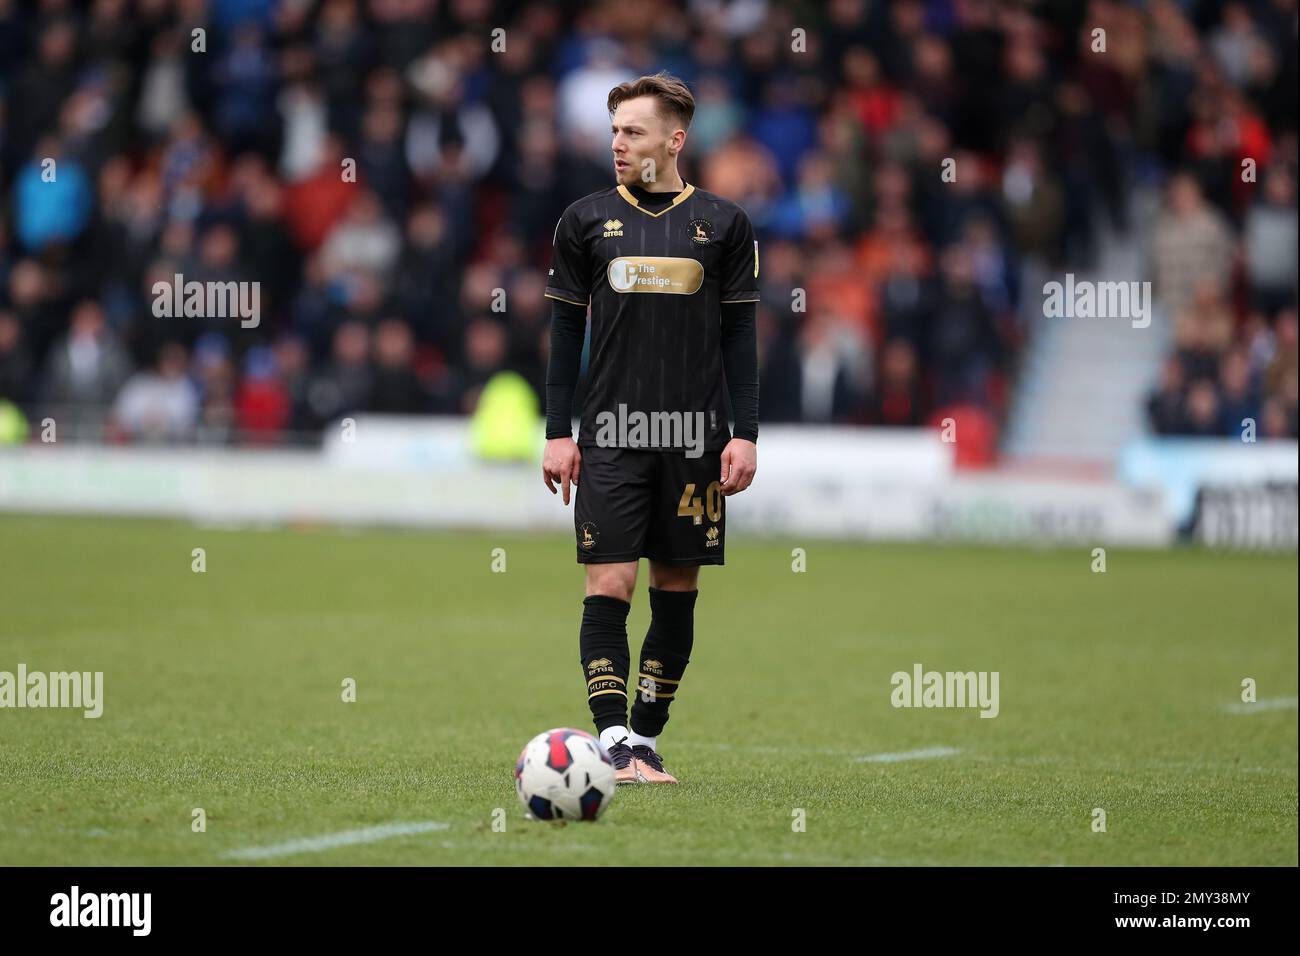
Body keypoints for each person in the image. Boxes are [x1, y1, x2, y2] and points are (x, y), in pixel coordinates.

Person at [541, 73, 760, 785]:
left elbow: (740, 336)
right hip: (610, 435)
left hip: (697, 439)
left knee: (676, 590)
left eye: (632, 131)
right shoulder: (584, 221)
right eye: (613, 132)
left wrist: (745, 431)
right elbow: (563, 327)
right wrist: (557, 430)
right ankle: (610, 739)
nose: (618, 144)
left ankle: (644, 738)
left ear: (674, 138)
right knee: (609, 583)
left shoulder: (725, 225)